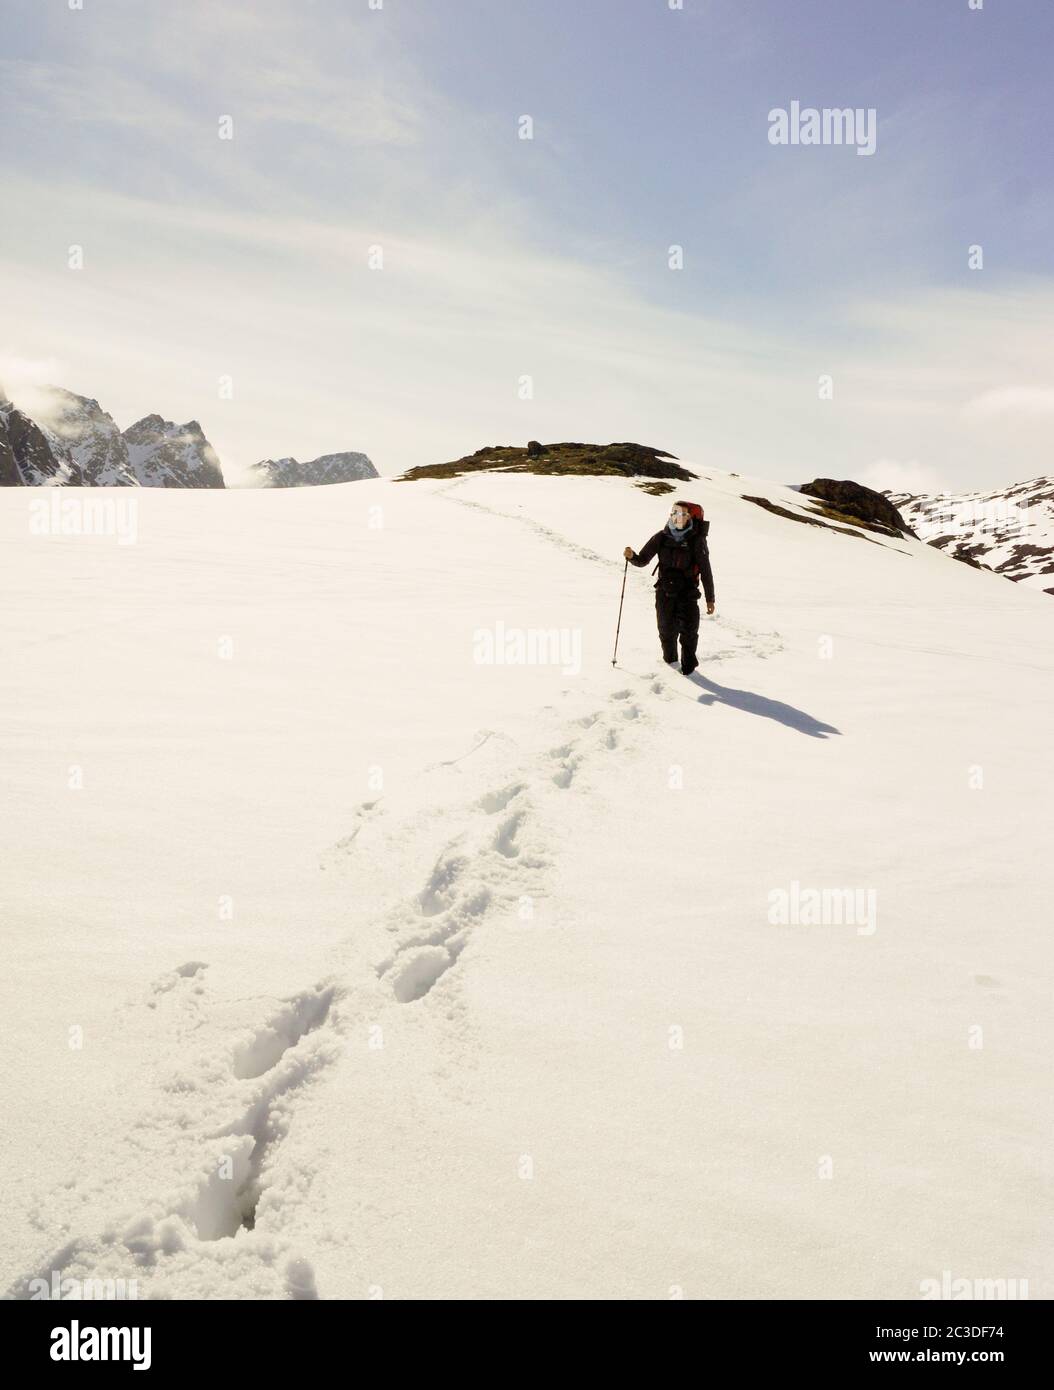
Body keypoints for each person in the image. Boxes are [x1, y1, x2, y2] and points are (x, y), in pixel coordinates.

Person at [624, 501, 716, 675]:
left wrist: (710, 598)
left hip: (688, 594)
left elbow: (706, 570)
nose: (676, 517)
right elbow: (643, 559)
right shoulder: (662, 536)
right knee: (666, 630)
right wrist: (632, 557)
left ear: (691, 518)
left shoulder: (697, 541)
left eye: (681, 514)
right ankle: (670, 664)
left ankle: (688, 669)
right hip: (664, 592)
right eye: (673, 512)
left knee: (689, 632)